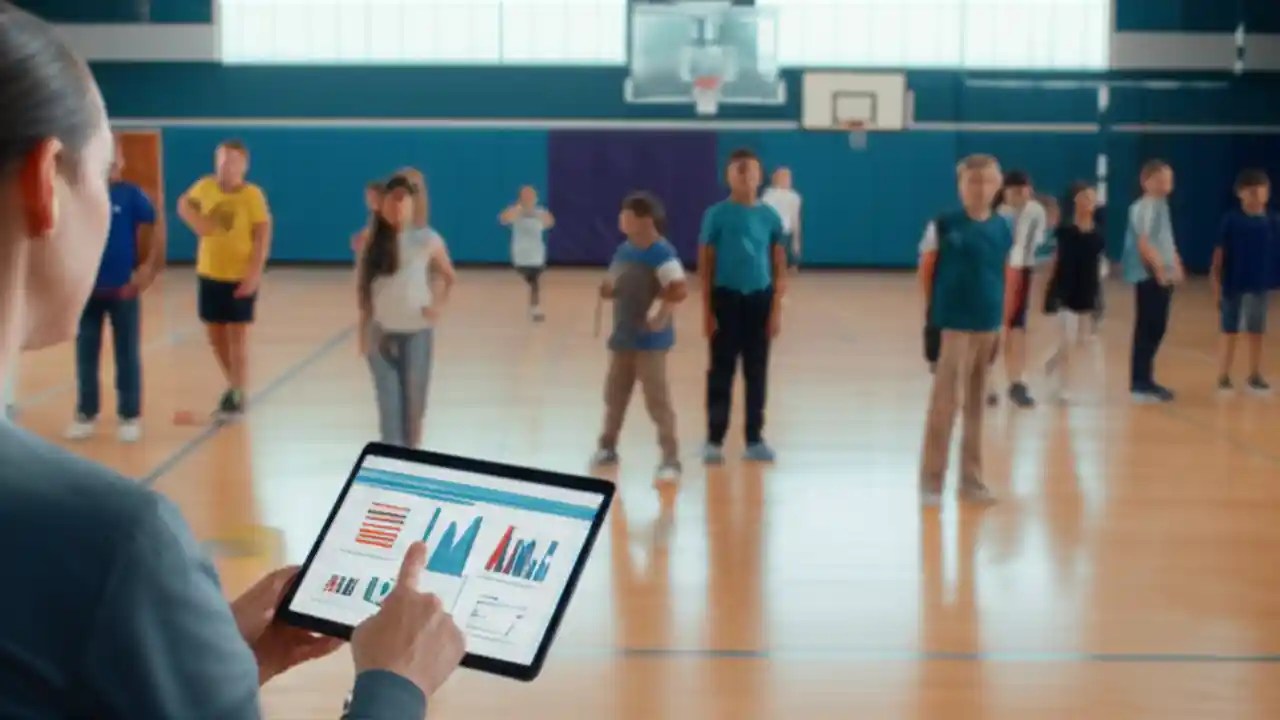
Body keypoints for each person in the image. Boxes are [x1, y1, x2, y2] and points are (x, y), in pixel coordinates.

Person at [0, 4, 465, 717]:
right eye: (107, 173)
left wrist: (210, 665)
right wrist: (393, 684)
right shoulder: (115, 546)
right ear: (45, 183)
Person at [916, 154, 1011, 508]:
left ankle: (971, 480)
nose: (980, 188)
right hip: (953, 325)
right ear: (960, 186)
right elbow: (926, 270)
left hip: (987, 324)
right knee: (945, 404)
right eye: (973, 181)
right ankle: (931, 481)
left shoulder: (1003, 227)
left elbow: (1001, 275)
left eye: (987, 181)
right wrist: (933, 318)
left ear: (997, 184)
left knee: (976, 407)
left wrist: (1000, 322)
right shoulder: (943, 225)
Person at [65, 134, 163, 442]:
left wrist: (148, 268)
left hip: (123, 293)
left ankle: (129, 415)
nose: (110, 165)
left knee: (127, 354)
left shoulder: (132, 195)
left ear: (121, 162)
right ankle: (86, 413)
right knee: (85, 354)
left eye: (114, 159)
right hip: (87, 293)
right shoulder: (81, 195)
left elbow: (156, 227)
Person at [698, 148, 787, 464]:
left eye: (751, 171)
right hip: (726, 298)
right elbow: (706, 263)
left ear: (760, 176)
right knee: (721, 370)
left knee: (757, 370)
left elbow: (779, 264)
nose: (745, 177)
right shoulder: (716, 215)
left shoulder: (770, 217)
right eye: (739, 171)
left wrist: (776, 308)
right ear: (729, 176)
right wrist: (706, 310)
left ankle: (754, 438)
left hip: (759, 300)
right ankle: (713, 439)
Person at [592, 192, 687, 483]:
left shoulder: (662, 253)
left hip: (650, 344)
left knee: (657, 400)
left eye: (627, 214)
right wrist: (609, 290)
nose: (621, 219)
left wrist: (660, 315)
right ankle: (607, 448)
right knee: (615, 396)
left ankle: (670, 459)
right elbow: (615, 281)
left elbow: (678, 288)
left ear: (645, 220)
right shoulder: (624, 251)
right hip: (623, 338)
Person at [357, 173, 456, 448]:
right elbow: (364, 289)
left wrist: (438, 305)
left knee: (413, 410)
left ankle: (411, 467)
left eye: (404, 201)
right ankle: (393, 469)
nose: (397, 207)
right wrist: (363, 332)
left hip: (416, 333)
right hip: (381, 334)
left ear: (414, 204)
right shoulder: (371, 240)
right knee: (389, 413)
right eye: (392, 201)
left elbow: (448, 276)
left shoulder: (427, 239)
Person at [177, 139, 272, 418]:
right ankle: (235, 385)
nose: (225, 166)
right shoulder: (204, 187)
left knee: (237, 336)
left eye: (231, 161)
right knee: (214, 334)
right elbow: (183, 203)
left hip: (239, 275)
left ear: (243, 165)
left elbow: (263, 233)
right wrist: (196, 221)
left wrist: (254, 272)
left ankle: (237, 392)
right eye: (220, 160)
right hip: (209, 272)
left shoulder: (252, 195)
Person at [1121, 159, 1183, 403]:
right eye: (1160, 180)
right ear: (1146, 182)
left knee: (1158, 326)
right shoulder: (1144, 207)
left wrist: (1175, 263)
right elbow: (1144, 243)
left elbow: (1166, 240)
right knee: (1147, 327)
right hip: (1148, 275)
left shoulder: (1161, 206)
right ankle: (1139, 383)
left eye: (1169, 180)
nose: (1166, 185)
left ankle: (1147, 379)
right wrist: (1158, 270)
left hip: (1163, 274)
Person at [1212, 169, 1277, 394]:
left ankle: (1254, 374)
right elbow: (1219, 255)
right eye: (1251, 192)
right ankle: (1223, 375)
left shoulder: (1272, 221)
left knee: (1256, 330)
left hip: (1259, 285)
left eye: (1261, 191)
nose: (1257, 196)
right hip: (1233, 283)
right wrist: (1216, 285)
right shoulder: (1231, 220)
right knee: (1229, 330)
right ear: (1240, 193)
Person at [1042, 182, 1105, 403]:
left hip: (1086, 291)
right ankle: (1063, 387)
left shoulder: (1098, 233)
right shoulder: (1065, 231)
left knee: (1081, 341)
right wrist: (1050, 290)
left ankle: (1053, 359)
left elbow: (1097, 265)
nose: (1089, 202)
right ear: (1075, 201)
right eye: (1084, 198)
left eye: (1092, 198)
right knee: (1067, 339)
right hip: (1065, 290)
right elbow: (1056, 260)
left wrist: (1098, 296)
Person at [997, 170, 1047, 408]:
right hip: (996, 272)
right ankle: (984, 383)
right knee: (994, 329)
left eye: (1025, 189)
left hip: (1021, 271)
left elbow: (1036, 244)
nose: (1021, 195)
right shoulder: (995, 212)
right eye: (1016, 190)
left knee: (1017, 327)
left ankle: (1017, 381)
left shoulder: (1035, 211)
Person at [499, 185, 554, 322]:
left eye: (531, 197)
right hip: (521, 254)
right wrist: (519, 210)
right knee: (529, 279)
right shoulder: (515, 212)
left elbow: (549, 222)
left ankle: (535, 308)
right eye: (525, 196)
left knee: (536, 280)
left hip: (536, 254)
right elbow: (503, 219)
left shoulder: (541, 212)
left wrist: (536, 214)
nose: (529, 199)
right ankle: (529, 305)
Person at [761, 166, 803, 270]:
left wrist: (796, 239)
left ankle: (790, 265)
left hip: (786, 230)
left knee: (786, 252)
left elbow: (795, 217)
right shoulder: (768, 195)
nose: (787, 180)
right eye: (783, 177)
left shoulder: (794, 197)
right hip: (771, 231)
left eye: (788, 177)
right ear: (775, 179)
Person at [352, 180, 383, 254]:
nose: (369, 200)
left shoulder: (386, 215)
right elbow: (370, 229)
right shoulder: (373, 215)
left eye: (373, 197)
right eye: (367, 197)